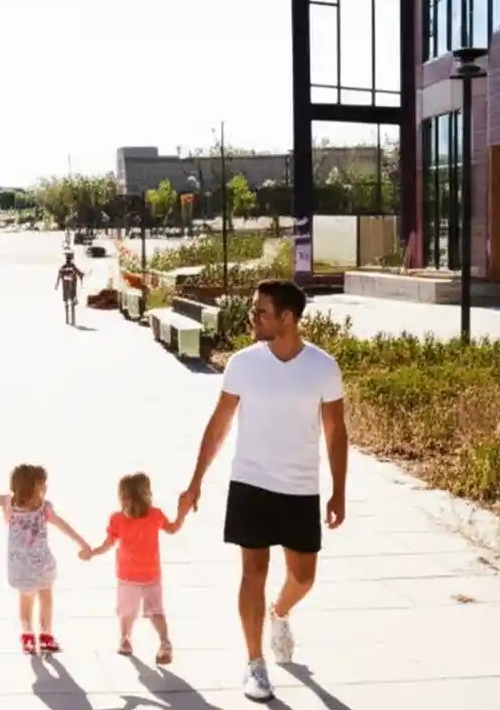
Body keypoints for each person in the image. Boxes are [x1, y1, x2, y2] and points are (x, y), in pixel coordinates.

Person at [177, 279, 348, 703]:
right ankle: (255, 664)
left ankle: (281, 612)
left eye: (261, 312)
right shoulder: (243, 364)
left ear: (288, 318)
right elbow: (219, 425)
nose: (252, 318)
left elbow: (336, 431)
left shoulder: (323, 367)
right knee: (253, 572)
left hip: (300, 487)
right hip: (250, 482)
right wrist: (195, 480)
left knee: (303, 577)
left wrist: (339, 490)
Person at [0, 464, 92, 655]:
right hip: (34, 566)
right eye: (43, 485)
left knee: (34, 600)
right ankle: (38, 634)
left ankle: (36, 635)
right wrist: (82, 543)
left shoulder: (25, 505)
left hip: (31, 566)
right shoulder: (29, 507)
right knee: (40, 599)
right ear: (35, 488)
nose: (46, 488)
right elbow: (64, 526)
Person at [85, 472, 185, 665]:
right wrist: (182, 511)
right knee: (156, 610)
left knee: (126, 611)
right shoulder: (155, 514)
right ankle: (164, 641)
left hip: (127, 577)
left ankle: (125, 639)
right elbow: (172, 528)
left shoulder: (117, 519)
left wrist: (92, 552)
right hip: (151, 576)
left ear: (123, 497)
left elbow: (108, 544)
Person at [54, 251, 85, 322]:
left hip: (66, 288)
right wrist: (83, 278)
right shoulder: (72, 267)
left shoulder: (63, 267)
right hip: (72, 288)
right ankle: (71, 319)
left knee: (67, 302)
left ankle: (68, 319)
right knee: (72, 302)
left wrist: (57, 284)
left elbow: (59, 276)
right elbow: (80, 274)